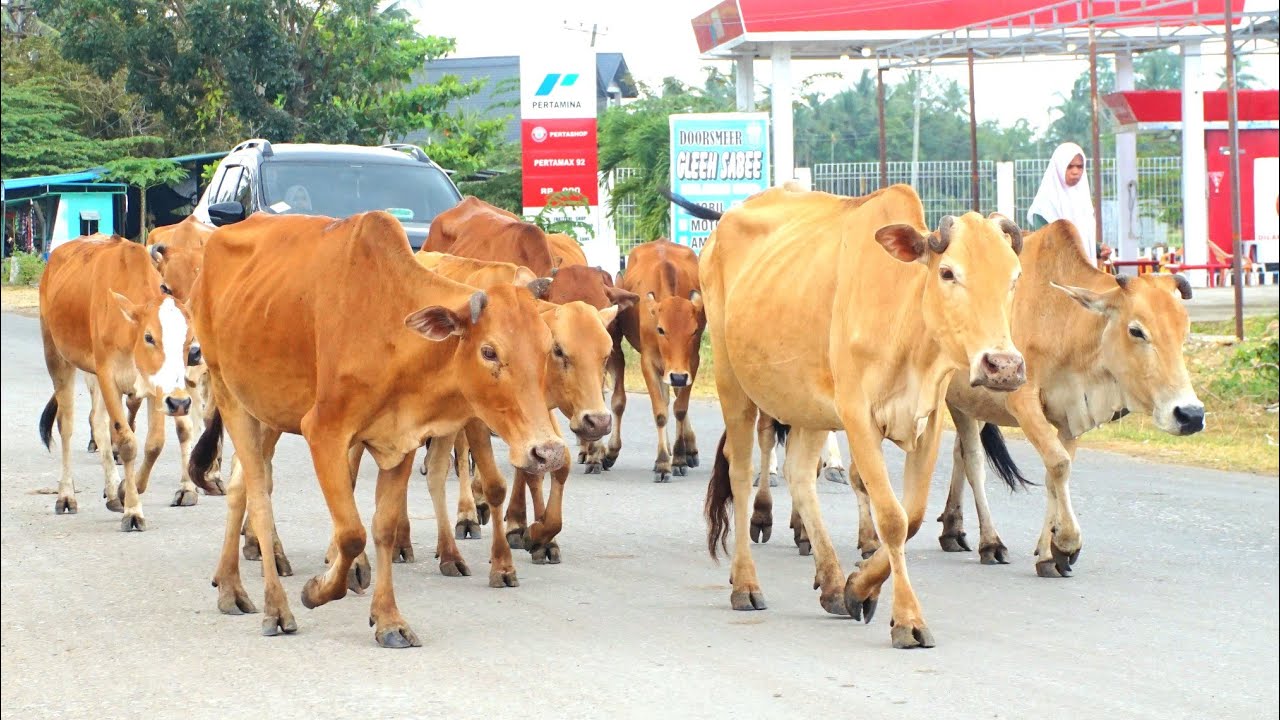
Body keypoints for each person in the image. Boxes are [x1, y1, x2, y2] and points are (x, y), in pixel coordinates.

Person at [1027, 142, 1111, 264]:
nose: (1075, 171)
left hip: (1085, 272)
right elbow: (1046, 244)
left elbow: (1081, 239)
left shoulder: (1082, 200)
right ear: (1059, 167)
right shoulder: (1045, 205)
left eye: (1080, 166)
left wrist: (1098, 249)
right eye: (1070, 166)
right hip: (1057, 274)